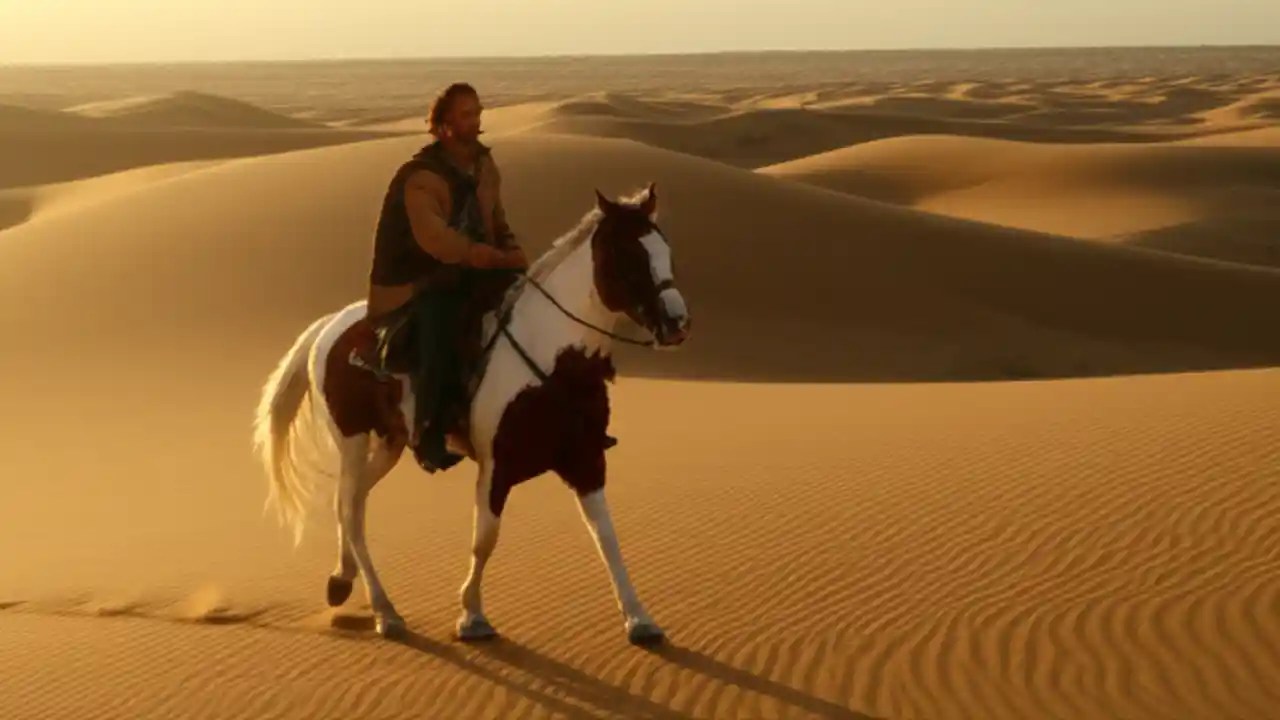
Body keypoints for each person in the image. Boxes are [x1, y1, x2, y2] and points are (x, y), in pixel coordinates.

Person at [364, 82, 528, 472]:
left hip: (472, 270)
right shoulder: (420, 177)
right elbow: (435, 239)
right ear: (444, 125)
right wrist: (481, 255)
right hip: (420, 281)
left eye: (477, 113)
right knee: (442, 323)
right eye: (466, 115)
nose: (475, 122)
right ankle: (428, 432)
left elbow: (496, 221)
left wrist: (511, 250)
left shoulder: (485, 166)